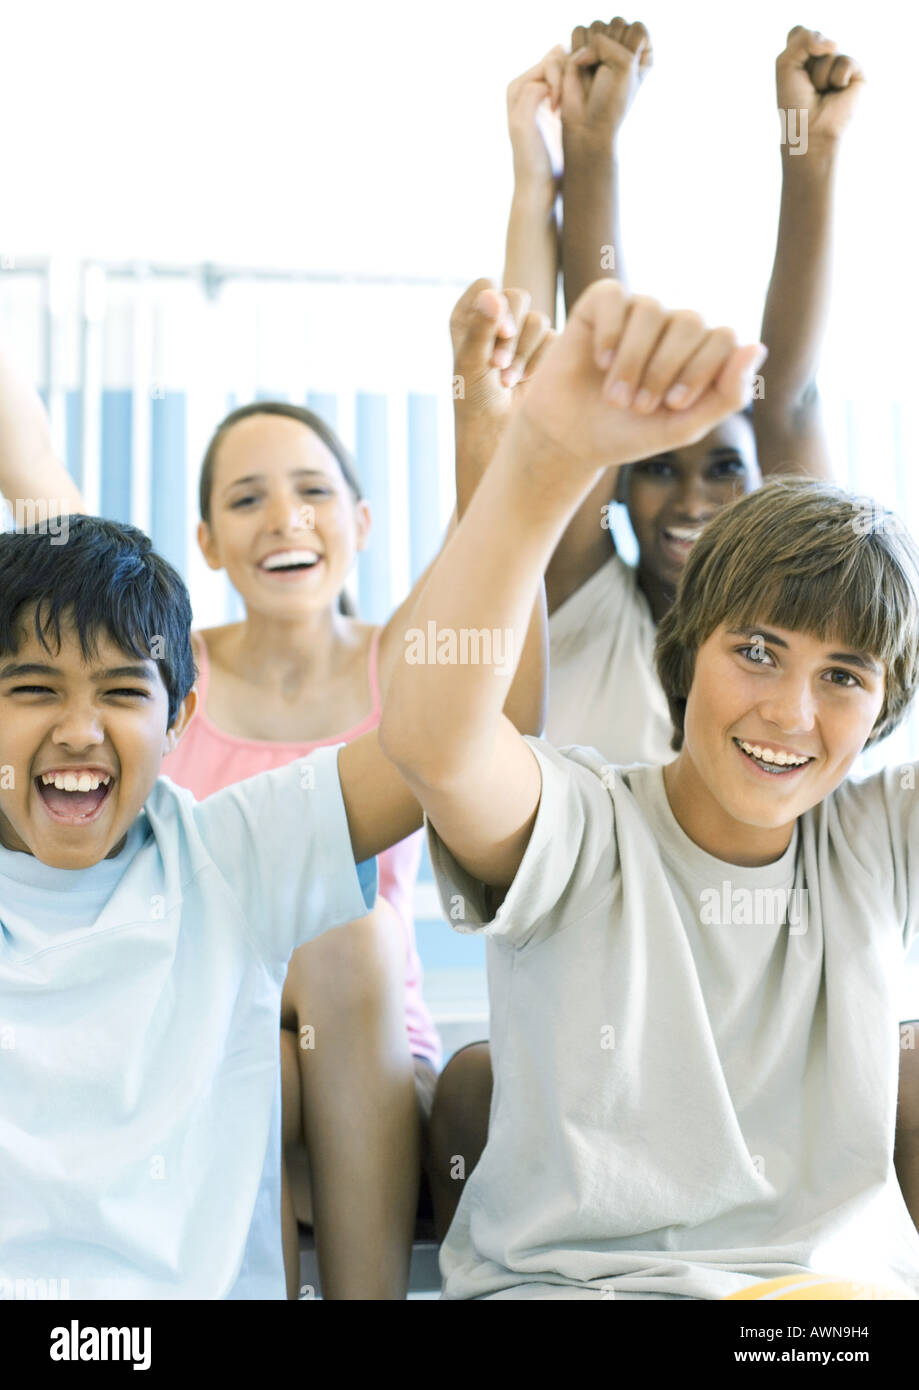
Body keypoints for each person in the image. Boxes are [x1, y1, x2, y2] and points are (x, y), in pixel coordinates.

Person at [428, 18, 888, 1239]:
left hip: (764, 1074)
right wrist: (587, 151)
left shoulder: (826, 718)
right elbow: (583, 393)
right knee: (469, 1084)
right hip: (598, 1017)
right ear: (618, 493)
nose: (689, 498)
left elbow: (784, 393)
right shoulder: (583, 610)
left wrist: (806, 157)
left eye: (722, 468)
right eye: (656, 471)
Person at [0, 293, 550, 1298]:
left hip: (332, 1031)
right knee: (262, 1042)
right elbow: (36, 483)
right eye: (247, 498)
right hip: (212, 1041)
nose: (285, 518)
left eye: (311, 491)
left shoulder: (245, 818)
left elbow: (476, 709)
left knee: (351, 929)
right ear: (207, 537)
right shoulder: (134, 645)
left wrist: (516, 445)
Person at [381, 276, 919, 1299]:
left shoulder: (875, 833)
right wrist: (535, 457)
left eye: (842, 676)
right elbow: (432, 742)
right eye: (756, 652)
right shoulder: (583, 825)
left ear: (883, 706)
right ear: (685, 648)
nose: (790, 713)